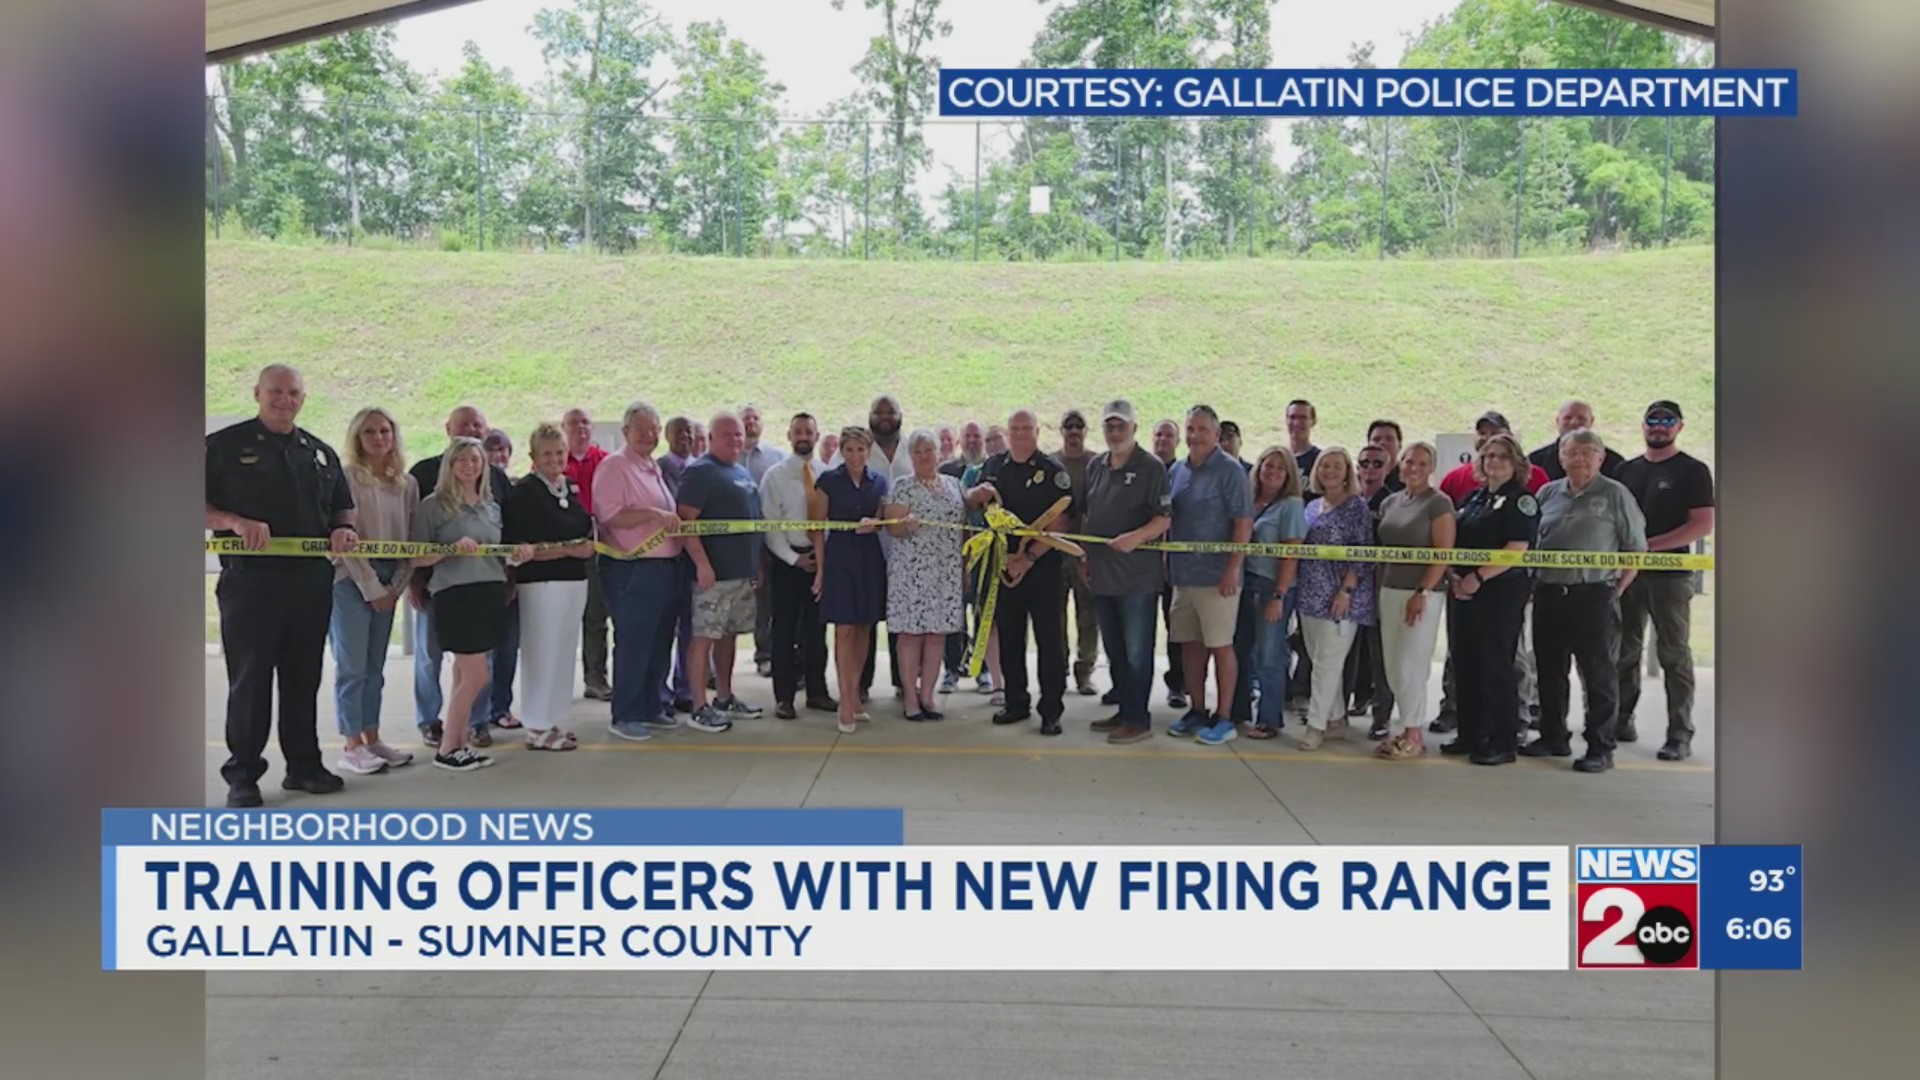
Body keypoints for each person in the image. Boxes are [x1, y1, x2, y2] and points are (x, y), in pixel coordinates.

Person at [206, 364, 357, 807]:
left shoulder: (320, 452)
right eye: (276, 391)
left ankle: (304, 765)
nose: (285, 399)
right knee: (250, 680)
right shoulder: (223, 447)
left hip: (310, 581)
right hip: (252, 582)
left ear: (303, 398)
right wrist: (232, 521)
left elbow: (341, 508)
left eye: (293, 392)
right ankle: (243, 775)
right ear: (258, 393)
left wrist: (344, 531)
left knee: (302, 676)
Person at [1524, 429, 1648, 773]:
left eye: (1587, 452)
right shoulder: (1548, 493)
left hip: (1593, 595)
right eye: (1571, 451)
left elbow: (1636, 550)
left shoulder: (1615, 494)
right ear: (1561, 457)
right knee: (1549, 671)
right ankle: (1553, 736)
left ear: (1600, 458)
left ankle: (1600, 746)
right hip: (1549, 594)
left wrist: (1615, 589)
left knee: (1598, 675)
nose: (1578, 458)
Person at [409, 437, 534, 771]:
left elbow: (497, 551)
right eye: (461, 460)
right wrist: (451, 548)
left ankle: (460, 741)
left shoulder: (491, 506)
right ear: (450, 465)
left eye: (476, 460)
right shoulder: (432, 506)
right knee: (478, 675)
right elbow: (417, 556)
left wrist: (517, 554)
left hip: (489, 591)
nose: (469, 466)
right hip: (455, 594)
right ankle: (448, 748)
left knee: (463, 673)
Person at [1614, 400, 1715, 761]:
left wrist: (1648, 547)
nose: (1659, 427)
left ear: (1679, 426)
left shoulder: (1693, 470)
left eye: (1666, 421)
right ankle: (1621, 719)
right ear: (1643, 426)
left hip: (1671, 577)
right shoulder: (1626, 470)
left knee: (1673, 654)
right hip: (1628, 573)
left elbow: (1702, 523)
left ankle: (1679, 732)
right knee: (1624, 650)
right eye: (1652, 421)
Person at [968, 409, 1077, 736]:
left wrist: (1027, 558)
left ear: (1036, 431)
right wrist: (977, 494)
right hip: (1003, 567)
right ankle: (1016, 702)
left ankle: (1051, 711)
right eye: (1014, 428)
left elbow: (1062, 522)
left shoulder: (1052, 471)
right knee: (1011, 638)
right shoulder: (993, 465)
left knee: (1050, 641)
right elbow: (972, 499)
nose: (1019, 434)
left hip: (1041, 568)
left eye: (1025, 428)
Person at [328, 406, 418, 776]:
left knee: (374, 667)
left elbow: (411, 540)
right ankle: (351, 745)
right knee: (352, 666)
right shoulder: (348, 477)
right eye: (370, 432)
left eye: (385, 431)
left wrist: (395, 586)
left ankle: (372, 736)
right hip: (351, 579)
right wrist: (370, 587)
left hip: (389, 576)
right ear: (357, 438)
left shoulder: (406, 484)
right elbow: (346, 544)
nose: (379, 438)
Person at [1441, 434, 1539, 766]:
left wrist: (1478, 577)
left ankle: (1502, 739)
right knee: (1465, 661)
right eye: (1488, 456)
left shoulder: (1521, 500)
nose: (1493, 462)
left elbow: (1516, 549)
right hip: (1463, 591)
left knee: (1496, 664)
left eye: (1501, 457)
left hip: (1499, 593)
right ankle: (1470, 732)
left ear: (1516, 463)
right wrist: (1456, 576)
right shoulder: (1473, 498)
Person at [593, 402, 686, 742]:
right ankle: (626, 714)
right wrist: (651, 515)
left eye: (653, 430)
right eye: (641, 429)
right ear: (625, 432)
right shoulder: (615, 466)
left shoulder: (651, 466)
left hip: (665, 565)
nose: (649, 435)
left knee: (661, 639)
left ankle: (652, 704)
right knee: (634, 640)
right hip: (632, 568)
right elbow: (608, 515)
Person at [1082, 400, 1172, 744]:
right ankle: (1123, 709)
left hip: (1137, 579)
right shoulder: (1096, 466)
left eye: (1121, 426)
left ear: (1134, 428)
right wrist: (1086, 558)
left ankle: (1139, 720)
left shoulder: (1151, 467)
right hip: (1103, 575)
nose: (1115, 432)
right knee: (1116, 650)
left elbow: (1163, 518)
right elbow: (1089, 514)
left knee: (1137, 652)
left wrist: (1135, 538)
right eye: (1109, 426)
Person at [504, 422, 596, 752]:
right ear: (533, 456)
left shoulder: (568, 487)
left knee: (562, 652)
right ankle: (536, 725)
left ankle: (555, 717)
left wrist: (583, 547)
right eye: (547, 454)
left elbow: (582, 526)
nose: (555, 459)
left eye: (559, 452)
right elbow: (522, 547)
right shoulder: (526, 491)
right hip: (542, 584)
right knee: (541, 653)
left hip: (573, 581)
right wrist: (569, 549)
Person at [1164, 405, 1253, 747]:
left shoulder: (1230, 471)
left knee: (1220, 646)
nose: (1195, 435)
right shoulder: (1178, 470)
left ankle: (1225, 716)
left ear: (1217, 435)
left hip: (1218, 578)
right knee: (1190, 646)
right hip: (1184, 575)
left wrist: (1233, 568)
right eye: (1190, 428)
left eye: (1202, 429)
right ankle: (1197, 709)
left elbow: (1243, 522)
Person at [677, 412, 766, 733]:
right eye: (727, 435)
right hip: (712, 577)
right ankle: (699, 705)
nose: (735, 440)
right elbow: (686, 522)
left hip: (741, 576)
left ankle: (724, 698)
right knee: (703, 639)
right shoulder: (700, 473)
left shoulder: (740, 471)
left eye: (739, 435)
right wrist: (702, 563)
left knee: (729, 637)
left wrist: (755, 564)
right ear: (711, 438)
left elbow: (752, 522)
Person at [1372, 442, 1455, 760]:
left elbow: (1442, 552)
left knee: (1411, 662)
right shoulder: (1392, 501)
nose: (1414, 468)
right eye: (1408, 462)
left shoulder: (1439, 503)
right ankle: (1405, 727)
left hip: (1422, 594)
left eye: (1422, 463)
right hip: (1389, 590)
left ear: (1431, 467)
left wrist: (1422, 592)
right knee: (1393, 664)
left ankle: (1414, 733)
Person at [1293, 448, 1378, 751]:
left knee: (1327, 665)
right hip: (1309, 596)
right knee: (1321, 661)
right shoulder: (1313, 506)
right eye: (1324, 465)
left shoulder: (1357, 507)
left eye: (1337, 466)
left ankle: (1315, 727)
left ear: (1347, 472)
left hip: (1341, 599)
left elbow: (1363, 555)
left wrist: (1346, 591)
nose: (1330, 471)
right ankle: (1336, 719)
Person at [885, 429, 967, 721]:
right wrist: (905, 524)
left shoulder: (955, 485)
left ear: (939, 453)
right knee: (911, 636)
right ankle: (910, 697)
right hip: (912, 574)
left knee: (936, 635)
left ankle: (928, 696)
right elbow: (892, 528)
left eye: (928, 450)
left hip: (946, 573)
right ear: (911, 456)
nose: (923, 456)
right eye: (917, 451)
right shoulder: (902, 487)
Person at [813, 427, 889, 734]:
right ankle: (844, 701)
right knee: (843, 629)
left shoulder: (879, 482)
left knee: (863, 627)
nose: (855, 456)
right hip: (840, 559)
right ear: (841, 452)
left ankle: (855, 694)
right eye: (849, 450)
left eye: (860, 450)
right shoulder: (828, 482)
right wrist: (820, 569)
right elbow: (816, 527)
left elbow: (884, 519)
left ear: (868, 452)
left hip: (869, 559)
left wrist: (877, 523)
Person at [760, 413, 835, 719]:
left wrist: (820, 559)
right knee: (784, 632)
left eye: (809, 431)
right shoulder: (775, 476)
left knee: (817, 631)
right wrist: (794, 559)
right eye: (798, 432)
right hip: (786, 562)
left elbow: (831, 520)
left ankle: (817, 692)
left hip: (819, 562)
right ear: (789, 437)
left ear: (817, 437)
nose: (804, 437)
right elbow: (770, 525)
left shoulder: (827, 474)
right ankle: (785, 698)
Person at [1235, 447, 1305, 739]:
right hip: (1243, 583)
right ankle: (1237, 711)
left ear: (1288, 474)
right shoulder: (1249, 500)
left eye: (1280, 468)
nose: (1273, 471)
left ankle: (1269, 719)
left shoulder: (1290, 505)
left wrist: (1279, 594)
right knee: (1240, 650)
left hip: (1271, 587)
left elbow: (1291, 552)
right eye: (1268, 465)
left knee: (1269, 655)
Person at [1345, 443, 1397, 735]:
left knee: (1381, 656)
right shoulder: (1351, 501)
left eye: (1378, 464)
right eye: (1364, 463)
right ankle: (1341, 708)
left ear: (1388, 468)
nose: (1370, 469)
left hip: (1379, 587)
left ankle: (1382, 717)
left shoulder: (1392, 502)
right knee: (1348, 652)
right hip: (1349, 587)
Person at [562, 407, 612, 701]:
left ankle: (596, 678)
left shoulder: (606, 461)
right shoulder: (556, 460)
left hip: (600, 549)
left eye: (585, 422)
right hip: (561, 553)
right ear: (563, 427)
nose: (580, 428)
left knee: (596, 617)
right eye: (573, 423)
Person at [937, 421, 989, 693]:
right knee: (953, 615)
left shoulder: (995, 470)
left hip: (986, 556)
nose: (972, 441)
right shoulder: (945, 472)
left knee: (983, 613)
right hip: (952, 556)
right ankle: (952, 669)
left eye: (976, 436)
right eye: (967, 436)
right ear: (959, 440)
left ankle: (983, 670)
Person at [1054, 408, 1101, 696]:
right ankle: (1057, 670)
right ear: (1061, 431)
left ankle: (1085, 672)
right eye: (1068, 426)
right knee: (1054, 614)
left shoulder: (1097, 463)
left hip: (1086, 551)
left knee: (1089, 616)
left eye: (1078, 426)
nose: (1073, 431)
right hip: (1055, 551)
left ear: (1085, 431)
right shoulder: (1051, 463)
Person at [740, 403, 786, 680]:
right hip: (738, 539)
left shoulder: (775, 456)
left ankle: (768, 654)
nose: (751, 423)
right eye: (746, 419)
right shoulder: (729, 457)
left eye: (755, 418)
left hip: (769, 536)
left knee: (768, 599)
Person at [658, 415, 698, 716]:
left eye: (689, 431)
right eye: (678, 432)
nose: (685, 436)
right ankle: (660, 691)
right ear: (667, 435)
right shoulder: (658, 468)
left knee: (692, 626)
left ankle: (686, 687)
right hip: (666, 556)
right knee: (663, 627)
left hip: (695, 558)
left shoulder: (701, 468)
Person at [1150, 418, 1188, 710]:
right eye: (1159, 434)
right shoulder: (1145, 470)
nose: (1163, 439)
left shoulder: (1183, 473)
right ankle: (1127, 684)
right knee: (1138, 629)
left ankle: (1178, 685)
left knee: (1175, 628)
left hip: (1175, 566)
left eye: (1169, 435)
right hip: (1141, 565)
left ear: (1178, 441)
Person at [1441, 410, 1550, 503]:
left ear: (1510, 437)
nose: (1488, 438)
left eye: (1495, 432)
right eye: (1482, 433)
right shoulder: (1454, 479)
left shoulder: (1536, 476)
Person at [1529, 400, 1625, 482]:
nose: (1574, 422)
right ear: (1558, 421)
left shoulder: (1615, 463)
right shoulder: (1536, 461)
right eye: (1568, 418)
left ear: (1591, 421)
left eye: (1581, 418)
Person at [1367, 419, 1405, 493]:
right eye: (1376, 439)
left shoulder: (1409, 480)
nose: (1382, 443)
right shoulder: (1356, 482)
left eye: (1389, 439)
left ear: (1399, 445)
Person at [1286, 400, 1321, 477]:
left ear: (1313, 421)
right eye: (1292, 417)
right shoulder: (1276, 459)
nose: (1297, 423)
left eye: (1303, 418)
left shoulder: (1320, 460)